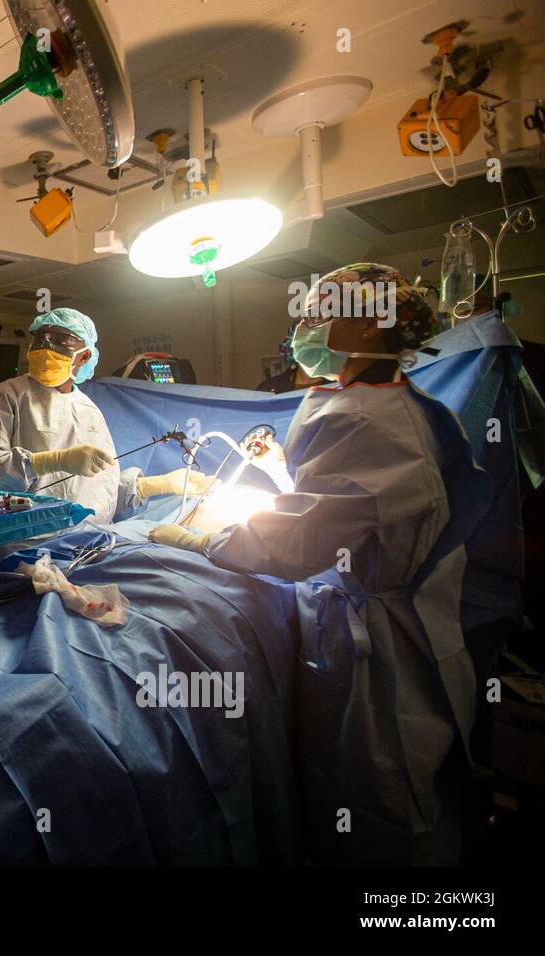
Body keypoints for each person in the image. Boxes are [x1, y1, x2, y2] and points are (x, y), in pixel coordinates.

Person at [149, 263, 489, 865]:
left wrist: (201, 541)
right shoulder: (394, 402)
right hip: (405, 623)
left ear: (363, 323)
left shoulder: (364, 417)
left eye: (322, 310)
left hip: (383, 657)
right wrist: (281, 468)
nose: (308, 323)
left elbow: (294, 546)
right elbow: (351, 506)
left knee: (388, 810)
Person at [0, 308, 206, 522]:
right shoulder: (7, 397)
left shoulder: (88, 410)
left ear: (85, 356)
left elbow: (99, 488)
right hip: (28, 547)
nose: (46, 346)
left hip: (89, 542)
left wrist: (155, 485)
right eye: (40, 339)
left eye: (61, 340)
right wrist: (52, 461)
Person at [255, 322, 329, 393]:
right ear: (293, 346)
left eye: (319, 342)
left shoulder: (338, 388)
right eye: (306, 342)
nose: (313, 348)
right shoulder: (267, 389)